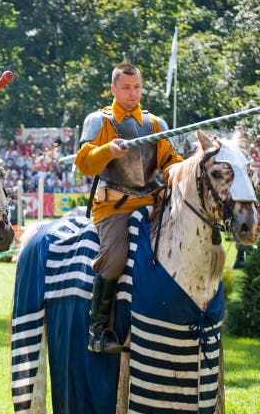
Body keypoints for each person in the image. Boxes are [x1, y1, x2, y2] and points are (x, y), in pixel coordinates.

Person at [74, 62, 183, 354]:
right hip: (114, 207)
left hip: (153, 203)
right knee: (115, 258)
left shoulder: (156, 124)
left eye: (136, 87)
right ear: (113, 89)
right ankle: (98, 330)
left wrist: (180, 170)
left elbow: (171, 161)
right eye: (126, 87)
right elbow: (84, 163)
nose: (132, 93)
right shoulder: (99, 121)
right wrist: (108, 150)